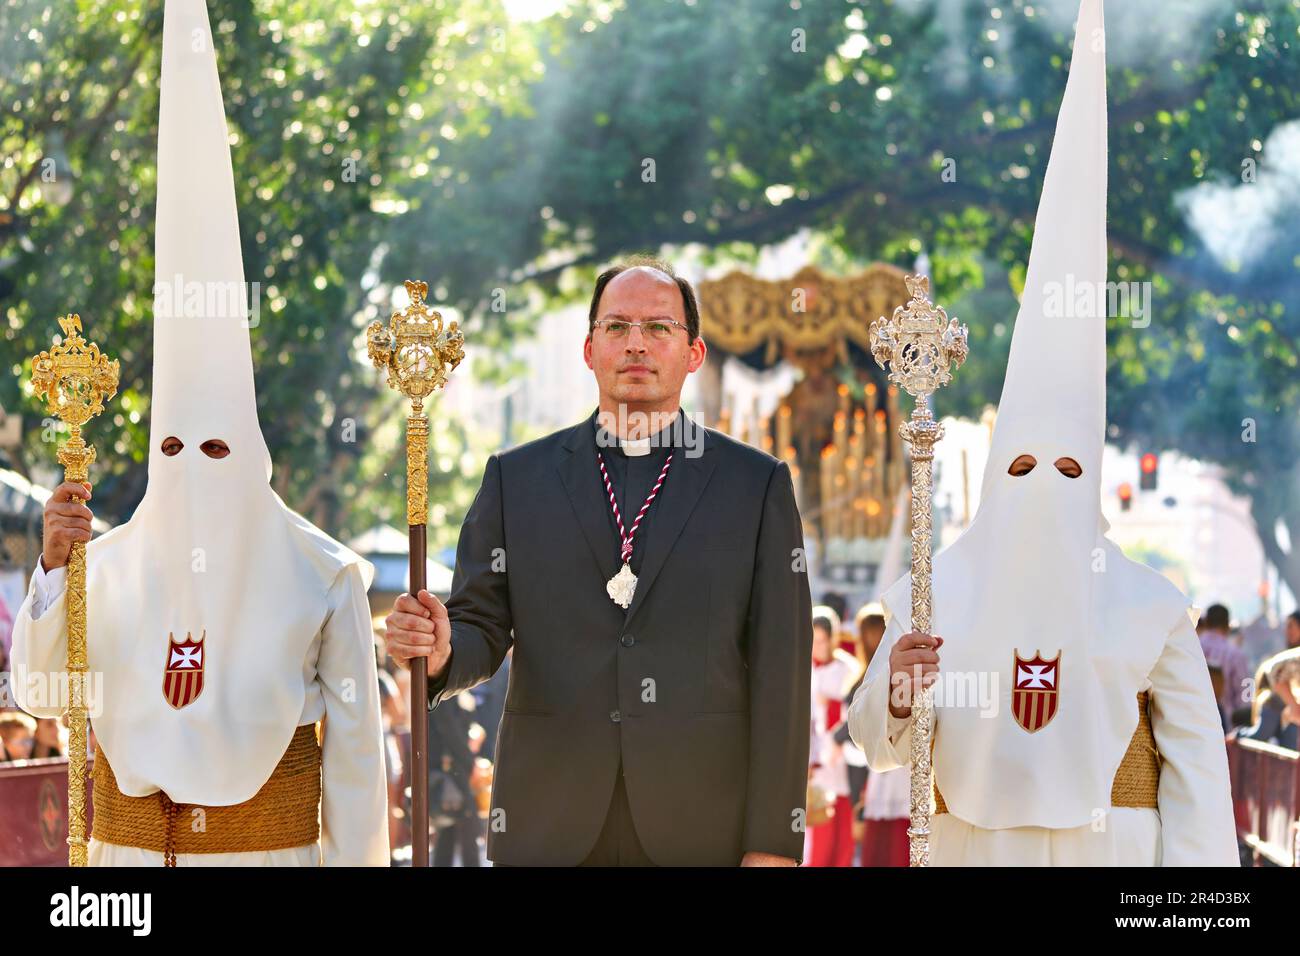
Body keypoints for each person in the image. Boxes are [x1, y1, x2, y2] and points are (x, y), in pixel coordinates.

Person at [849, 0, 1236, 867]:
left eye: (1068, 468)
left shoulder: (1150, 605)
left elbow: (1198, 782)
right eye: (1021, 466)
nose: (1043, 485)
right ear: (991, 479)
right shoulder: (936, 585)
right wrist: (903, 689)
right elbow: (874, 742)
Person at [8, 0, 386, 866]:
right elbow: (39, 692)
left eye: (215, 451)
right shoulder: (110, 567)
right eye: (173, 451)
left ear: (252, 457)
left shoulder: (323, 575)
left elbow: (358, 758)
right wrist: (54, 574)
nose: (192, 470)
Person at [385, 256, 813, 866]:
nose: (636, 343)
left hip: (701, 828)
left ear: (694, 353)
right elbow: (480, 624)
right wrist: (442, 648)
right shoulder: (518, 479)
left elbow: (782, 672)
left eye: (659, 328)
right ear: (589, 350)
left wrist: (773, 845)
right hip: (547, 824)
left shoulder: (755, 485)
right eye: (616, 327)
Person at [806, 606, 861, 867]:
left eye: (821, 640)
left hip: (843, 756)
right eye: (812, 641)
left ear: (832, 638)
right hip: (816, 757)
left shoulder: (848, 668)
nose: (817, 647)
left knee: (843, 835)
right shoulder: (804, 670)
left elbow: (854, 709)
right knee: (818, 836)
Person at [1199, 604, 1249, 729]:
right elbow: (1245, 696)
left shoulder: (1190, 648)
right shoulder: (1235, 654)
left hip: (1191, 722)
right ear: (1227, 625)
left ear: (1206, 623)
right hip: (1224, 728)